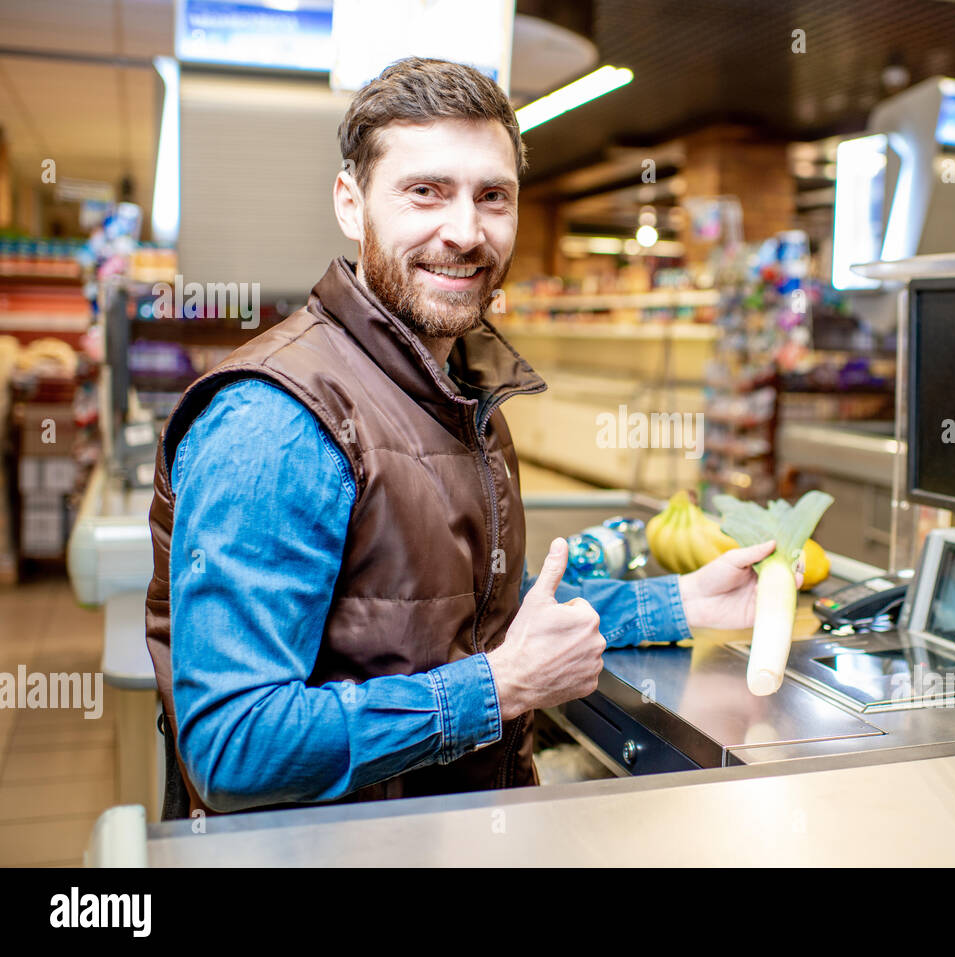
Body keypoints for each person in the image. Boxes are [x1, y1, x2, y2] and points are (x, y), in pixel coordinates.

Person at [144, 57, 786, 817]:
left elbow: (470, 618)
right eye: (426, 192)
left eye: (492, 197)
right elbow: (232, 747)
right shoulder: (275, 418)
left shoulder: (460, 387)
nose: (465, 232)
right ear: (352, 206)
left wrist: (677, 603)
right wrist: (501, 687)